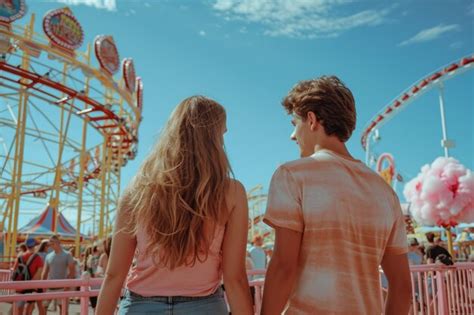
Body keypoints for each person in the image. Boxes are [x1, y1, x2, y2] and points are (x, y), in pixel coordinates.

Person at [261, 76, 412, 314]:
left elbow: (283, 267)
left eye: (294, 124)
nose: (292, 136)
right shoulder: (385, 192)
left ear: (311, 120)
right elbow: (402, 287)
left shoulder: (292, 175)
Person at [96, 96, 253, 314]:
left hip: (141, 307)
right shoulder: (232, 192)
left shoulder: (137, 190)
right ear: (213, 138)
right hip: (204, 306)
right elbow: (235, 278)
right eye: (222, 134)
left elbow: (114, 275)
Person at [41, 235, 76, 315]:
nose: (51, 244)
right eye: (50, 242)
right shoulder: (48, 256)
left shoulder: (67, 255)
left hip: (62, 287)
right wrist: (42, 285)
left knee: (63, 310)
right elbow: (45, 272)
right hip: (49, 286)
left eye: (52, 242)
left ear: (58, 242)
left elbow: (72, 271)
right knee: (43, 308)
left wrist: (67, 285)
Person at [11, 238, 45, 315]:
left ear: (26, 246)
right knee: (29, 310)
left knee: (19, 310)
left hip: (19, 287)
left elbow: (14, 271)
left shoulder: (20, 257)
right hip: (31, 287)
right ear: (35, 246)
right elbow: (38, 276)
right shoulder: (37, 258)